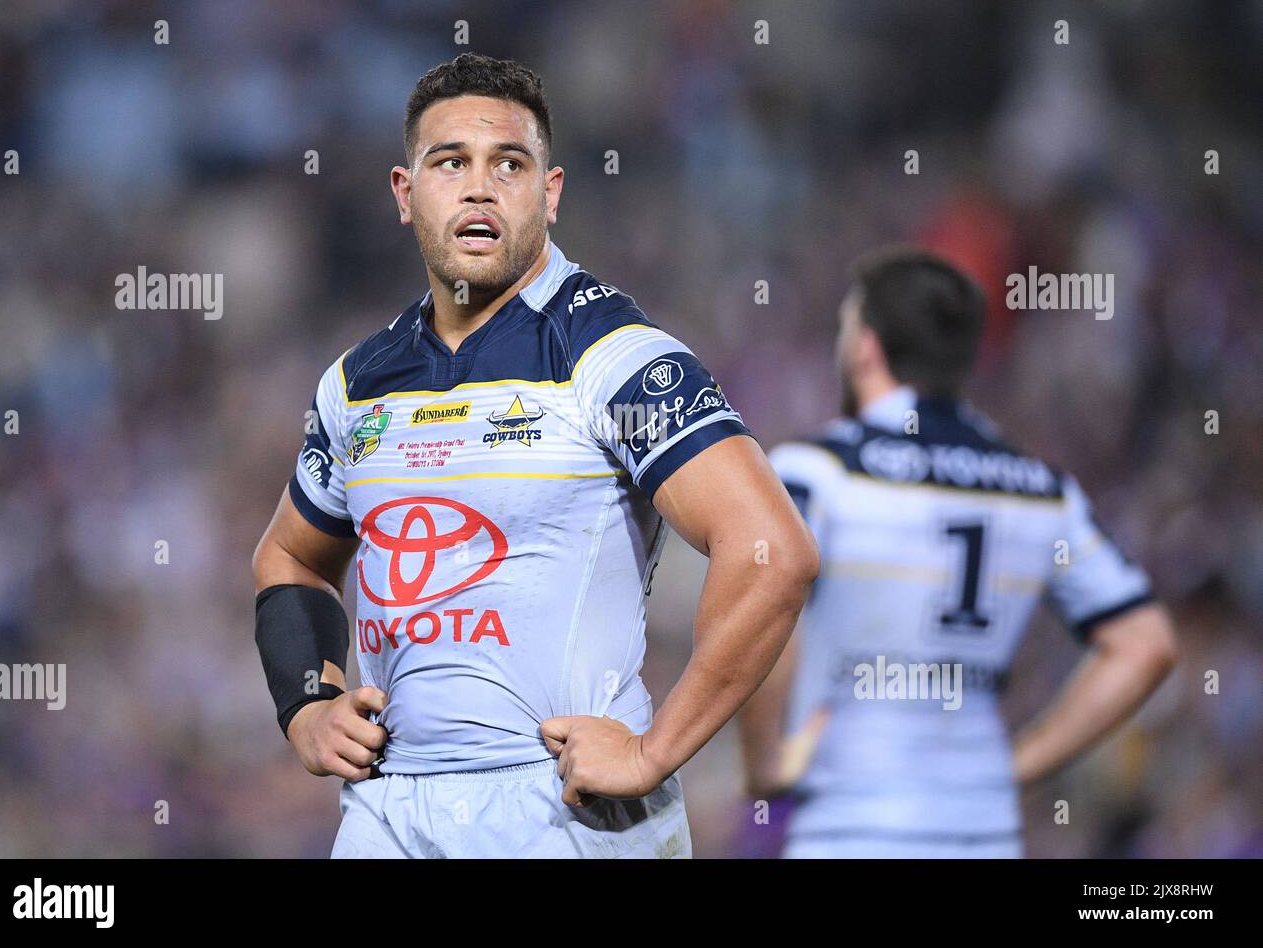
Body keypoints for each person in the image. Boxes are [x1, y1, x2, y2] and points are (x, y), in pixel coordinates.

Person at [251, 52, 818, 858]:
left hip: (561, 807)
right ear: (405, 196)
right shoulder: (356, 384)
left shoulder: (612, 357)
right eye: (451, 163)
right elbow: (290, 559)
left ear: (548, 196)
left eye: (508, 165)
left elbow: (773, 553)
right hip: (385, 809)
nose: (479, 187)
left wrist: (654, 753)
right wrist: (308, 707)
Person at [739, 247, 1178, 858]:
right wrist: (1016, 765)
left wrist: (763, 763)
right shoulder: (1041, 487)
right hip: (986, 833)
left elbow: (770, 618)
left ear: (866, 345)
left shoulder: (817, 472)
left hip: (855, 828)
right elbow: (1146, 643)